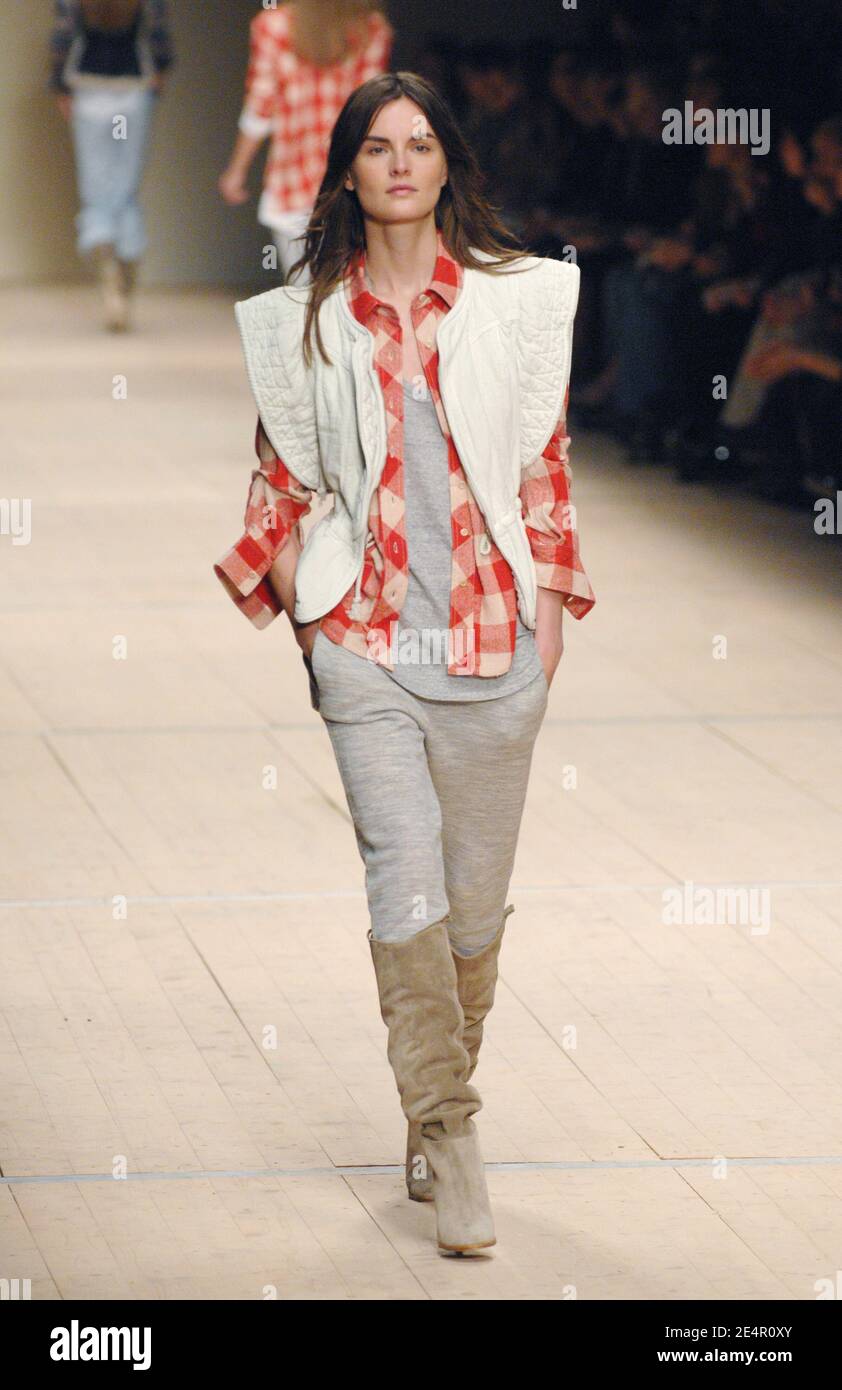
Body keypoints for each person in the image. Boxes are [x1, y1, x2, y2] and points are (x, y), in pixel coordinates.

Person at [213, 72, 596, 1253]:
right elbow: (278, 480)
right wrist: (311, 620)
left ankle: (430, 1122)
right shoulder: (304, 321)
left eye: (419, 144)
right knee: (405, 886)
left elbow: (543, 467)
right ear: (345, 173)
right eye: (376, 146)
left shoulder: (514, 308)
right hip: (366, 641)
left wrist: (550, 605)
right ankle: (452, 1127)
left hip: (490, 647)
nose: (399, 162)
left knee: (470, 916)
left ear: (445, 168)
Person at [219, 0, 393, 285]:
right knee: (349, 295)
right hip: (353, 180)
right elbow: (373, 106)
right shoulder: (370, 27)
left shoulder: (273, 26)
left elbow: (262, 104)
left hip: (293, 179)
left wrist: (237, 170)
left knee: (302, 298)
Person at [48, 0, 173, 330]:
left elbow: (62, 35)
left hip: (88, 88)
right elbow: (158, 35)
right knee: (126, 186)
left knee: (95, 186)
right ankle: (126, 265)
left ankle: (108, 271)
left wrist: (59, 84)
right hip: (133, 88)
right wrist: (161, 69)